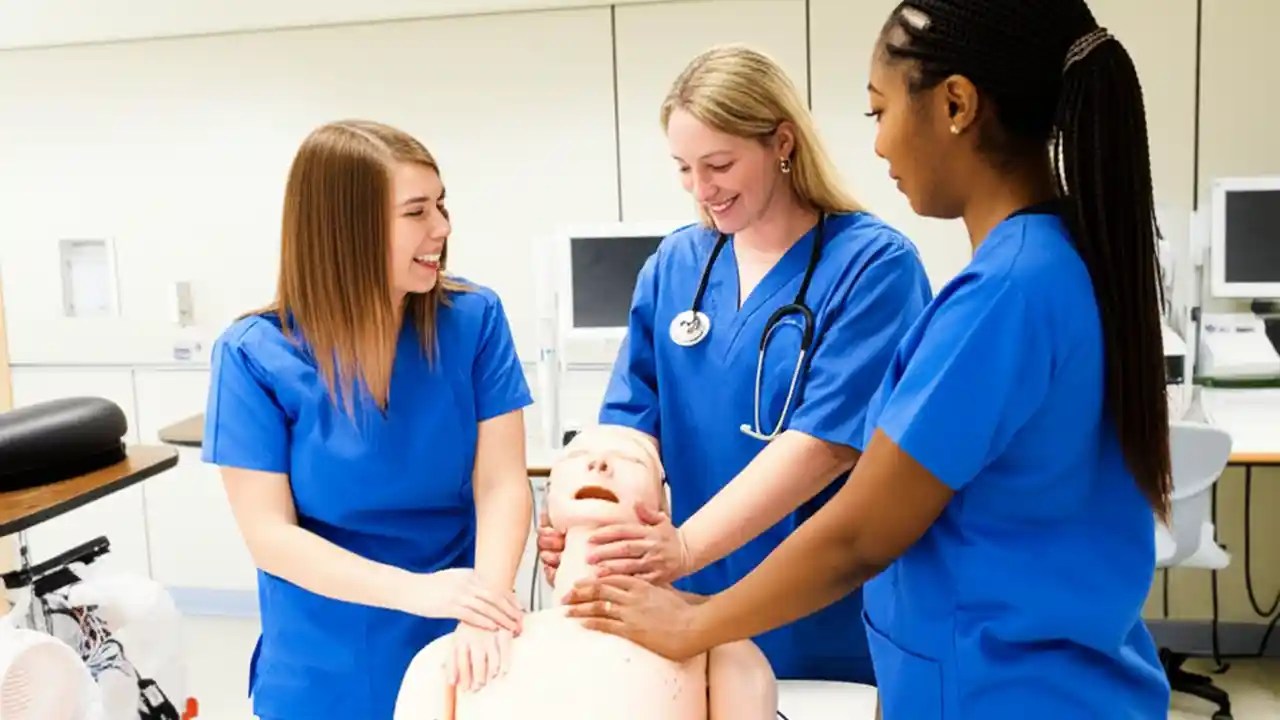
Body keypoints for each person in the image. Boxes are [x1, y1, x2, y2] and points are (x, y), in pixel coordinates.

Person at [562, 1, 1175, 717]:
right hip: (1016, 670)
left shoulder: (994, 290)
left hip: (1000, 682)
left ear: (955, 104)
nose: (879, 145)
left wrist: (694, 611)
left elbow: (860, 528)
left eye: (879, 112)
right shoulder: (1051, 264)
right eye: (683, 169)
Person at [537, 44, 932, 686]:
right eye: (684, 168)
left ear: (782, 142)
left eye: (718, 165)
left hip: (822, 616)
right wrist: (588, 518)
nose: (701, 189)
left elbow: (825, 445)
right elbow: (629, 432)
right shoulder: (676, 266)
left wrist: (685, 545)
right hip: (686, 616)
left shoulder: (873, 268)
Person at [202, 119, 535, 720]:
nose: (442, 228)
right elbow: (269, 536)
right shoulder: (254, 354)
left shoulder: (473, 319)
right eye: (416, 213)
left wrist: (482, 603)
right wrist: (422, 593)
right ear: (346, 230)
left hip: (461, 650)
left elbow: (502, 481)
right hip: (325, 664)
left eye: (441, 205)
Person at [393, 424, 777, 720]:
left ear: (665, 508)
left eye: (632, 461)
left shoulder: (718, 654)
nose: (600, 464)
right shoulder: (448, 661)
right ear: (548, 504)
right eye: (577, 458)